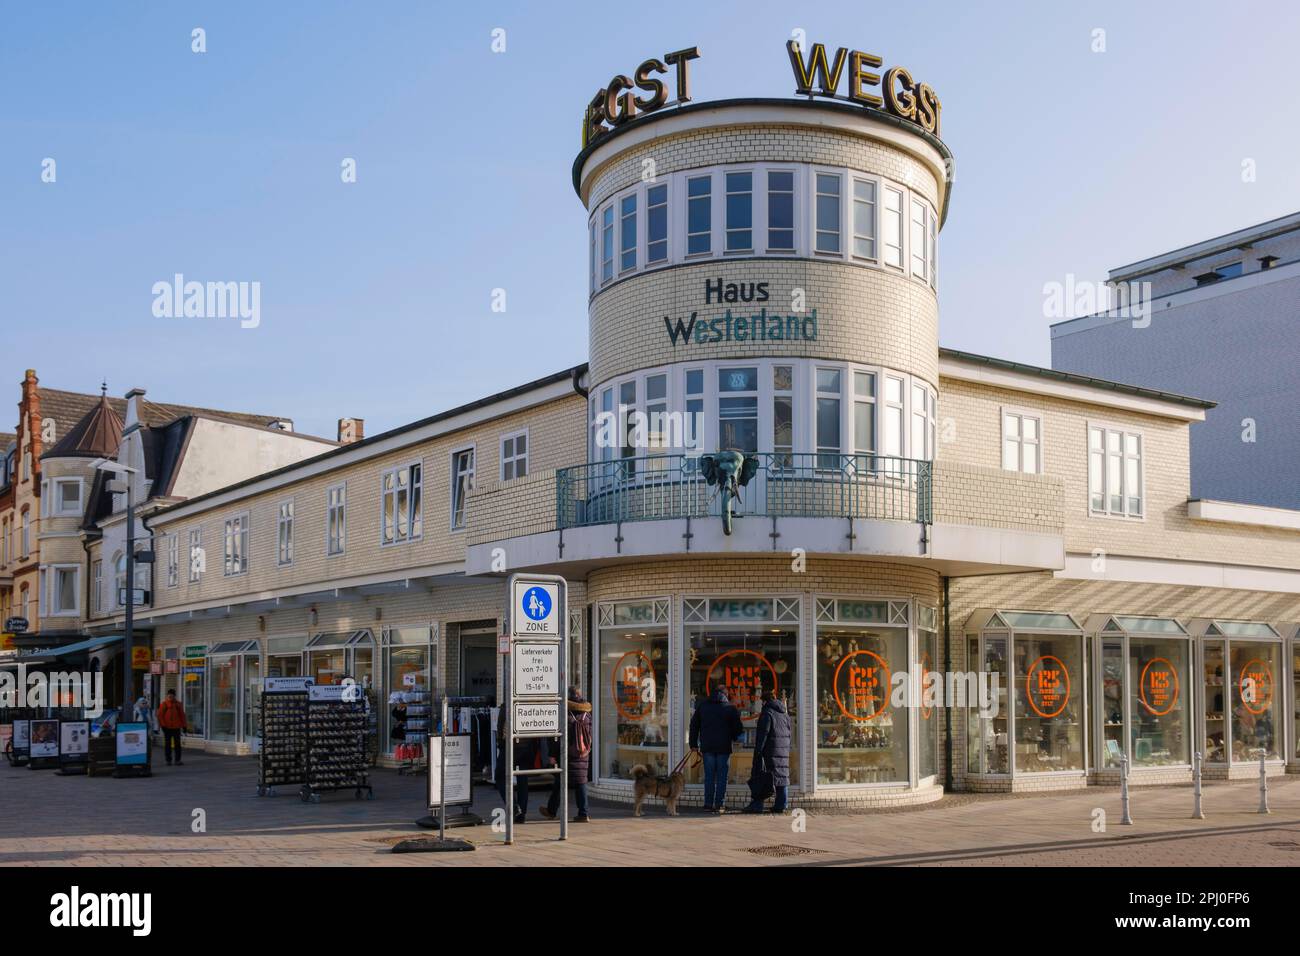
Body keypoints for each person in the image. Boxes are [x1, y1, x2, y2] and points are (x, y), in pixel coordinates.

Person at [540, 686, 594, 823]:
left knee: (560, 781)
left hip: (567, 754)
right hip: (582, 753)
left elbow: (556, 738)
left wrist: (552, 755)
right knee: (581, 782)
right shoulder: (587, 714)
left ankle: (552, 810)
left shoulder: (565, 714)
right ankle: (583, 813)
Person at [689, 686, 744, 813]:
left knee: (709, 776)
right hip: (724, 747)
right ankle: (719, 804)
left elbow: (694, 726)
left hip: (707, 747)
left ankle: (708, 804)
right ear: (725, 694)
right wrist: (734, 737)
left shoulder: (703, 707)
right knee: (721, 777)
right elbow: (738, 728)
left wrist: (693, 744)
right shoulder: (730, 708)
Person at [744, 689, 792, 814]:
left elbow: (763, 735)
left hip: (770, 750)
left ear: (765, 701)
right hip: (783, 751)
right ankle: (781, 805)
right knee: (782, 778)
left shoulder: (767, 713)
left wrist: (758, 751)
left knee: (762, 777)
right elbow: (789, 734)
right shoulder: (785, 715)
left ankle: (757, 805)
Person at [495, 710, 534, 823]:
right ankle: (521, 815)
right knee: (522, 779)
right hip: (526, 745)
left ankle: (514, 807)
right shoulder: (526, 703)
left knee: (500, 776)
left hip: (510, 745)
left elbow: (501, 726)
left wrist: (500, 744)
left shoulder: (507, 704)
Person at [157, 689, 188, 766]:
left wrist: (184, 726)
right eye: (169, 695)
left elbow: (182, 716)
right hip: (167, 728)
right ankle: (168, 760)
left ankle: (177, 760)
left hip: (176, 727)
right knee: (168, 745)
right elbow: (160, 716)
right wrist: (163, 726)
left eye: (172, 695)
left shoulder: (178, 704)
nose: (170, 696)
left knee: (177, 744)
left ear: (174, 696)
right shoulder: (164, 704)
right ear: (167, 695)